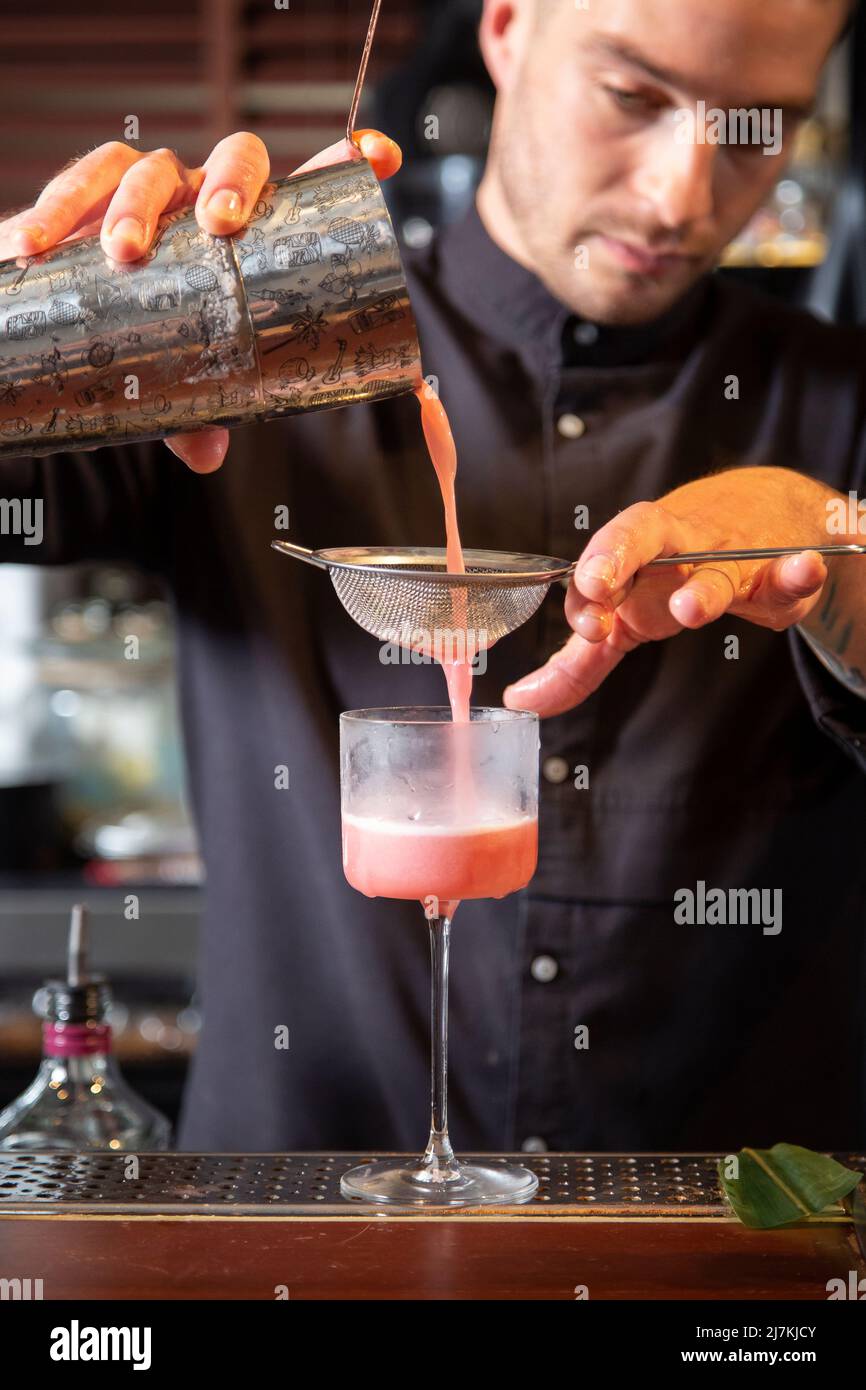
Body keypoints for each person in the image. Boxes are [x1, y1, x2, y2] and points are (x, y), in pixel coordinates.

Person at [1, 0, 865, 1154]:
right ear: (507, 28)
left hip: (722, 1260)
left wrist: (839, 562)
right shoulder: (242, 345)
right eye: (630, 97)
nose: (679, 196)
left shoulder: (842, 410)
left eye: (755, 129)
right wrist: (54, 310)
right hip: (289, 1236)